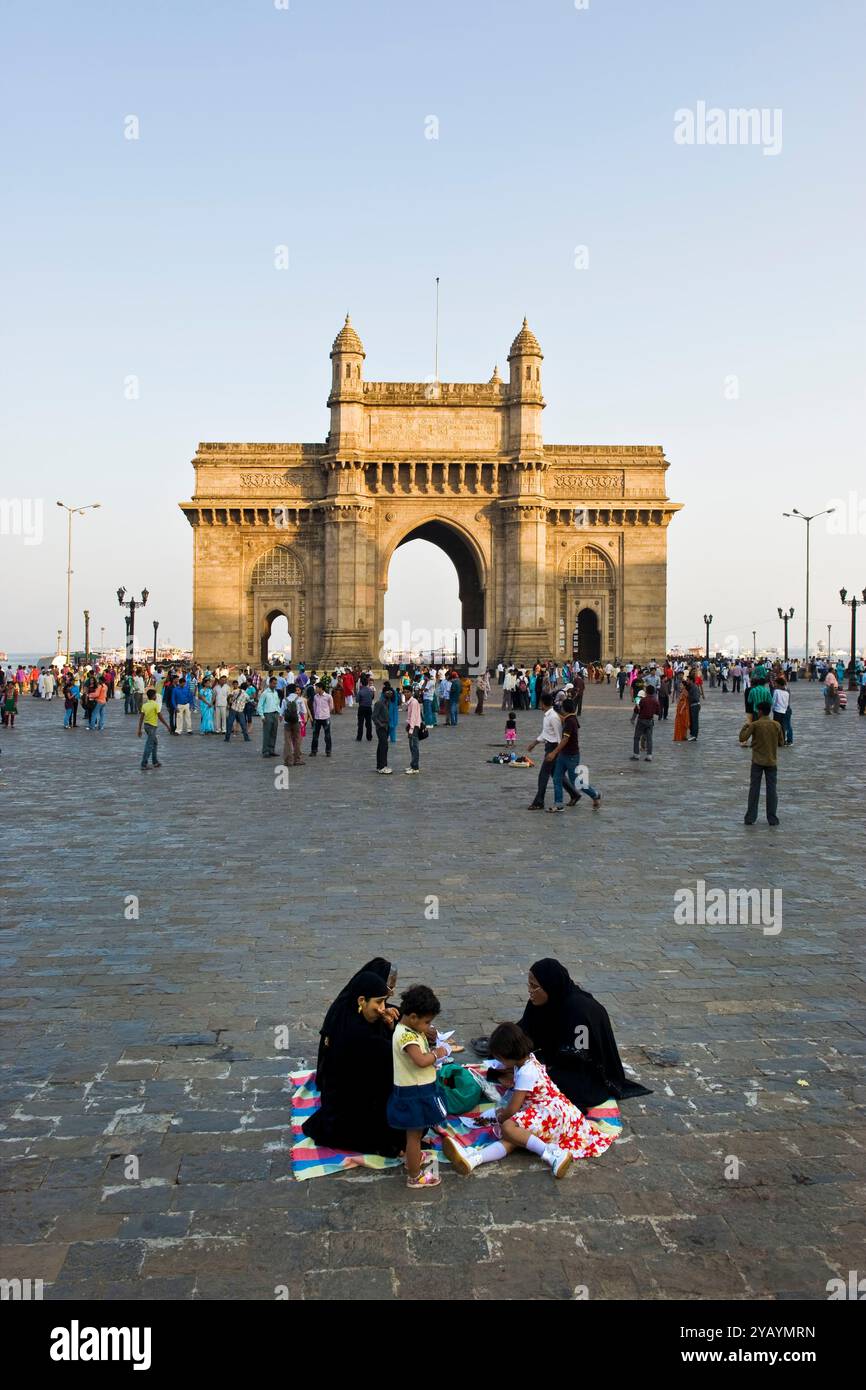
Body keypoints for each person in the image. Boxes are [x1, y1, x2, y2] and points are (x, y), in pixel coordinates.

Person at [442, 1021, 617, 1179]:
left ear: (509, 1055)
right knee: (514, 1139)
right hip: (548, 1110)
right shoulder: (526, 1061)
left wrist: (502, 1116)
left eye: (500, 1058)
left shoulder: (526, 1072)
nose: (498, 1062)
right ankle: (473, 1159)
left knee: (508, 1128)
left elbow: (513, 1108)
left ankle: (551, 1154)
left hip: (551, 1115)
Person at [515, 959, 651, 1109]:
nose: (530, 990)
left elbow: (581, 1056)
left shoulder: (579, 1012)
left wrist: (544, 1070)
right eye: (529, 985)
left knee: (541, 1085)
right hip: (557, 1057)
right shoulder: (539, 1003)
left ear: (550, 986)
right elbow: (524, 1031)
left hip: (584, 1067)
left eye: (534, 986)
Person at [302, 968, 406, 1159]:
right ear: (361, 1001)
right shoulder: (354, 1032)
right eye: (379, 1002)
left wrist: (389, 1026)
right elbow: (388, 1058)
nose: (383, 1008)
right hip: (348, 1110)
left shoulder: (356, 1014)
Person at [386, 984, 450, 1189]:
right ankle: (415, 1175)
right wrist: (438, 1053)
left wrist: (427, 1034)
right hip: (415, 1093)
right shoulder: (407, 1036)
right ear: (413, 1017)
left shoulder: (408, 1029)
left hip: (415, 1089)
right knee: (413, 1136)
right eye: (427, 1022)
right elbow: (421, 1061)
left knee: (415, 1133)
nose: (428, 1026)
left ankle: (413, 1161)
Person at [545, 698, 601, 812]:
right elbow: (563, 719)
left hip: (571, 756)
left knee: (576, 782)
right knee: (557, 778)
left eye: (561, 707)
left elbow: (565, 739)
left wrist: (553, 752)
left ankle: (595, 794)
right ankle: (559, 804)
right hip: (564, 755)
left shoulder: (570, 721)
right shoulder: (571, 718)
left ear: (565, 709)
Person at [739, 700, 784, 826]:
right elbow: (781, 742)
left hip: (757, 761)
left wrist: (744, 727)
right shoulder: (776, 725)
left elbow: (742, 738)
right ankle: (772, 818)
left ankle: (750, 817)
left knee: (754, 789)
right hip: (771, 761)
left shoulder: (755, 725)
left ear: (760, 711)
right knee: (772, 790)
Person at [526, 692, 562, 811]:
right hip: (549, 747)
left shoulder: (553, 717)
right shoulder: (547, 715)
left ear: (543, 703)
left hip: (553, 748)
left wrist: (554, 753)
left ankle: (539, 801)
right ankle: (574, 794)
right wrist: (534, 743)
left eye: (540, 702)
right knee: (556, 774)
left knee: (543, 775)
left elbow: (559, 737)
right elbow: (545, 733)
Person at [137, 686, 171, 770]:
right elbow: (160, 717)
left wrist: (139, 729)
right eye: (155, 695)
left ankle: (155, 762)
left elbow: (141, 718)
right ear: (153, 696)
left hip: (146, 726)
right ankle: (143, 764)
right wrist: (167, 726)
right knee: (149, 745)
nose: (156, 696)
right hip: (152, 727)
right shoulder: (155, 705)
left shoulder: (145, 705)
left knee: (154, 743)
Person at [630, 685, 661, 762]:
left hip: (641, 720)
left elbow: (637, 710)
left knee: (637, 737)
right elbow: (658, 712)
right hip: (650, 721)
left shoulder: (643, 700)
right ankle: (649, 755)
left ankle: (636, 755)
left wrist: (634, 717)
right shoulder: (655, 701)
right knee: (649, 739)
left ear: (646, 692)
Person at [280, 682, 304, 766]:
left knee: (287, 741)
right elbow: (303, 711)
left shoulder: (284, 700)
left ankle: (288, 760)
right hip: (296, 722)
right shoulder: (299, 699)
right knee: (297, 740)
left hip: (287, 723)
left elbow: (281, 712)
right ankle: (297, 759)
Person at [257, 676, 281, 757]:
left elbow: (277, 704)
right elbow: (259, 705)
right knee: (267, 733)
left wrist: (280, 713)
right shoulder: (265, 693)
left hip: (275, 714)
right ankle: (265, 751)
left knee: (274, 733)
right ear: (270, 683)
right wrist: (262, 716)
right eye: (274, 683)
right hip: (267, 714)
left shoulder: (276, 693)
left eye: (276, 684)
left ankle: (271, 750)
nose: (275, 685)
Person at [373, 684, 393, 774]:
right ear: (384, 693)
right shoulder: (379, 703)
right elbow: (374, 716)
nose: (390, 694)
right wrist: (380, 724)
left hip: (387, 727)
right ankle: (382, 766)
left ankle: (379, 766)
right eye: (388, 692)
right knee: (384, 746)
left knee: (381, 746)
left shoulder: (388, 702)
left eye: (391, 692)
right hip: (381, 727)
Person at [310, 681, 334, 756]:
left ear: (321, 688)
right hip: (317, 718)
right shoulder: (315, 697)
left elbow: (331, 707)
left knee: (327, 736)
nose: (315, 689)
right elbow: (314, 706)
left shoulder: (328, 696)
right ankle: (314, 751)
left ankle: (328, 751)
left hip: (325, 718)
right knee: (315, 735)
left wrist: (326, 712)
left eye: (316, 688)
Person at [405, 684, 423, 774]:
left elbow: (413, 717)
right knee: (412, 747)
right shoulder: (410, 702)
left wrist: (411, 729)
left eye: (407, 692)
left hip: (414, 727)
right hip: (412, 726)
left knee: (414, 747)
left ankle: (415, 767)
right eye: (404, 692)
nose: (406, 694)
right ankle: (413, 765)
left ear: (411, 693)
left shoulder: (414, 702)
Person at [771, 677, 792, 746]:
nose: (775, 684)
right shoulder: (787, 692)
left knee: (776, 726)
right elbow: (787, 703)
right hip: (784, 710)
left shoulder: (776, 691)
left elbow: (774, 701)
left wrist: (773, 709)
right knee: (783, 727)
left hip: (777, 711)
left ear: (779, 684)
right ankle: (782, 741)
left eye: (776, 683)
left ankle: (777, 741)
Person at [356, 673, 374, 741]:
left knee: (360, 723)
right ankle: (369, 737)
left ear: (361, 684)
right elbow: (372, 697)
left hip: (362, 707)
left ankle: (359, 737)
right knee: (369, 723)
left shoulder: (360, 691)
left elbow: (357, 700)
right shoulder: (370, 690)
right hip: (369, 708)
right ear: (367, 683)